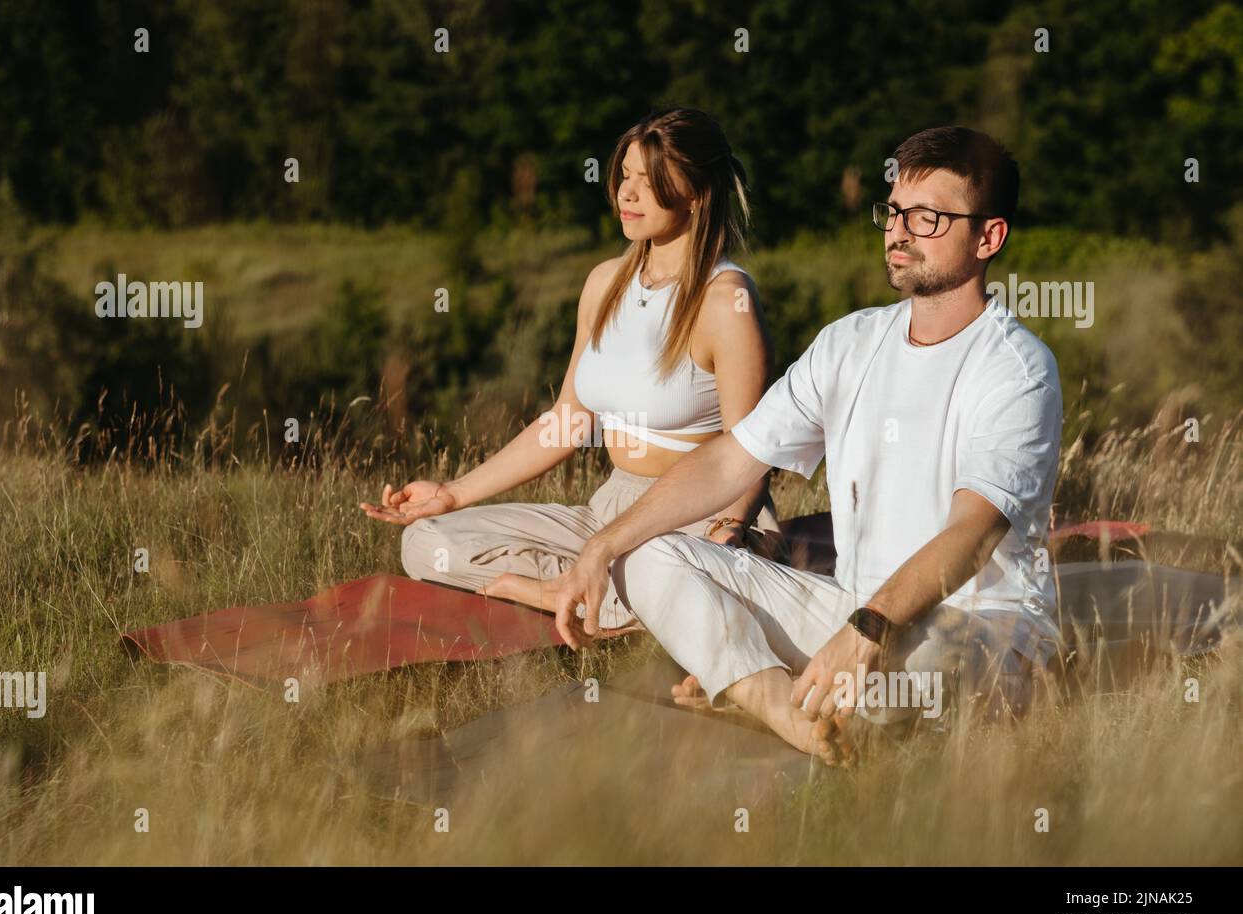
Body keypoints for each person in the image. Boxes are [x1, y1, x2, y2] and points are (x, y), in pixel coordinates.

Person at [553, 126, 1065, 764]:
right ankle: (777, 704)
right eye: (895, 211)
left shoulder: (1017, 370)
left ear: (988, 237)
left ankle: (775, 687)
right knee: (645, 553)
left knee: (915, 680)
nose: (900, 232)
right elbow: (732, 459)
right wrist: (602, 545)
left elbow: (973, 532)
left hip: (977, 627)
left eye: (928, 218)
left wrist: (871, 626)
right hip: (852, 610)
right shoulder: (850, 342)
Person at [361, 106, 783, 630]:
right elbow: (568, 422)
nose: (625, 194)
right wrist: (452, 492)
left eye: (647, 182)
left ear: (696, 193)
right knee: (427, 541)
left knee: (683, 580)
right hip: (611, 507)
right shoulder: (605, 284)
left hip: (699, 517)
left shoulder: (726, 300)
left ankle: (603, 592)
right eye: (624, 176)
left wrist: (731, 530)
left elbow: (752, 453)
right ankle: (586, 591)